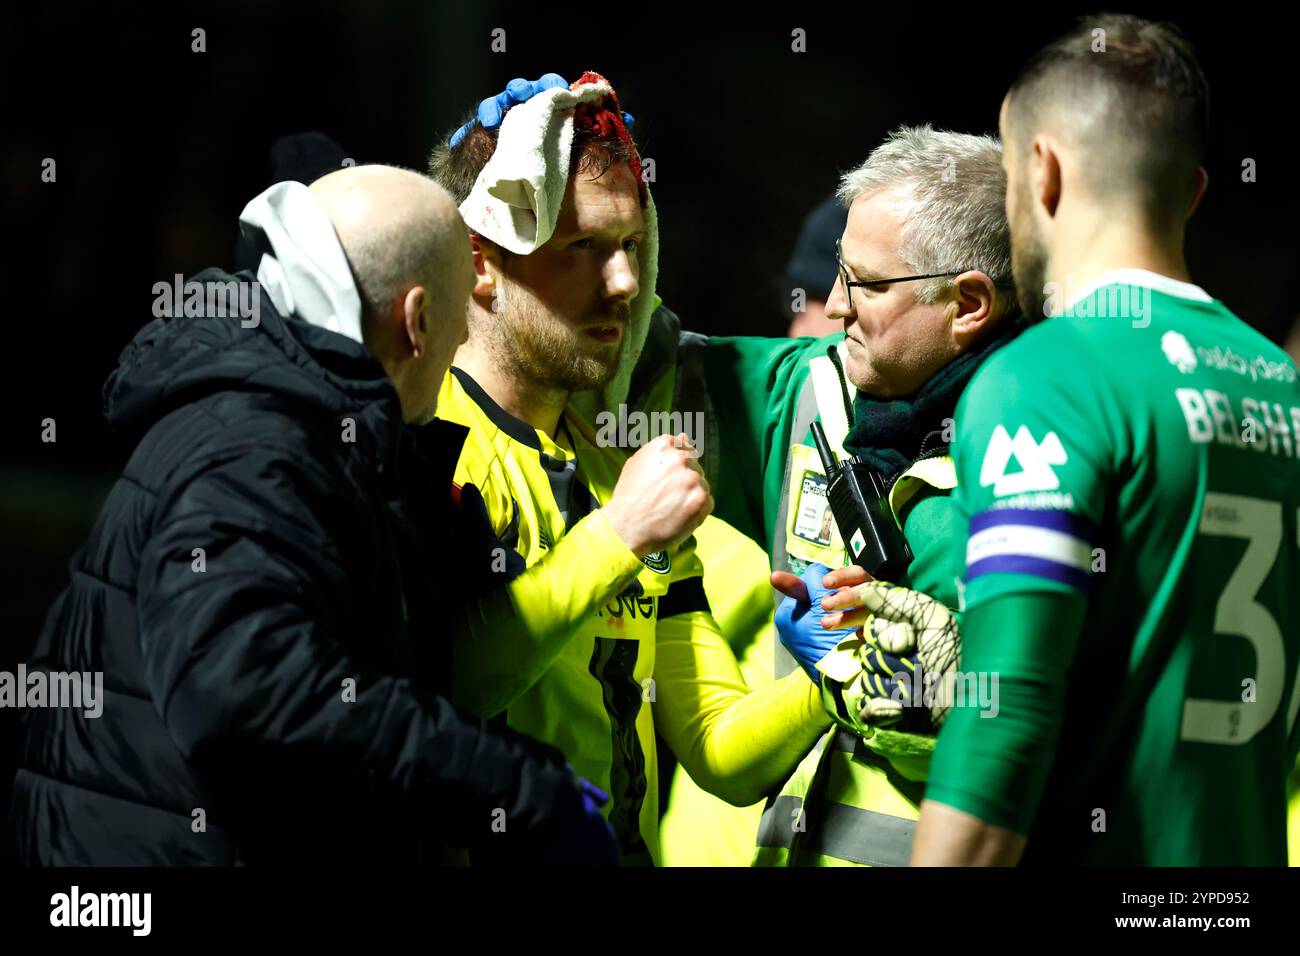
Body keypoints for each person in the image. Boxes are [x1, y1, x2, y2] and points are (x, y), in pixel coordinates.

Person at [4, 165, 616, 866]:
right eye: (453, 337)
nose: (453, 364)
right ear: (416, 322)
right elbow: (247, 688)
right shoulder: (257, 444)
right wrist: (521, 787)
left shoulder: (284, 413)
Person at [904, 14, 1300, 865]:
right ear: (1192, 192)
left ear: (1042, 171)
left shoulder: (1050, 376)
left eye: (1009, 172)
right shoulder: (1281, 383)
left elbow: (1004, 713)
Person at [429, 72, 834, 865]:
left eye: (632, 248)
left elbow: (719, 749)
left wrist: (836, 682)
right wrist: (617, 535)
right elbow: (443, 686)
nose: (622, 285)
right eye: (582, 247)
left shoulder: (624, 474)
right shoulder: (428, 440)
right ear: (482, 264)